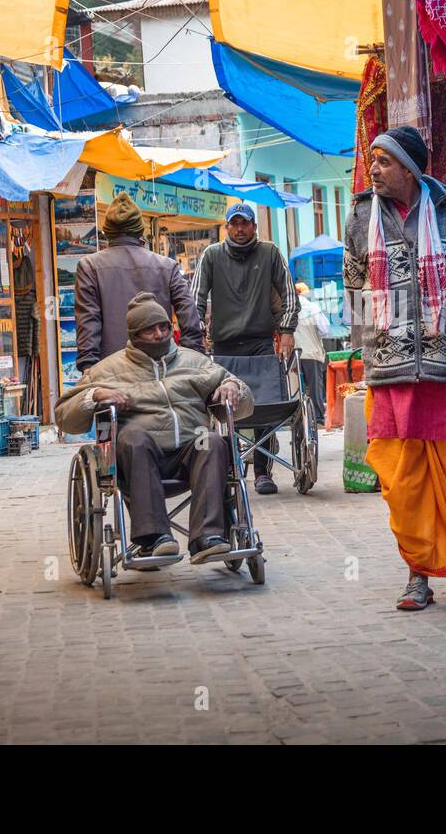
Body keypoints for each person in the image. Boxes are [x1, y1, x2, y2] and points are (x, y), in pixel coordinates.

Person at [343, 125, 446, 611]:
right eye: (373, 161)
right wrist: (378, 340)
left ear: (409, 167)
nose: (374, 170)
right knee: (402, 479)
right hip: (391, 370)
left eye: (383, 162)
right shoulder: (361, 215)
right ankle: (418, 572)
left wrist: (438, 325)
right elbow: (356, 289)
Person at [55, 293, 254, 562]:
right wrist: (96, 395)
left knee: (212, 441)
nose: (160, 334)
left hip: (188, 452)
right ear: (135, 334)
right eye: (150, 330)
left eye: (163, 327)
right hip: (138, 458)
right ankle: (153, 538)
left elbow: (239, 393)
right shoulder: (107, 370)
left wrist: (232, 387)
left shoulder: (193, 361)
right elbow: (65, 416)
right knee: (135, 437)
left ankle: (207, 537)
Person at [191, 202, 298, 495]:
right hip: (224, 347)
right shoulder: (211, 256)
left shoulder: (270, 253)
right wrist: (195, 334)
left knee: (265, 404)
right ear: (227, 227)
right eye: (234, 224)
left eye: (245, 223)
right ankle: (229, 466)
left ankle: (263, 471)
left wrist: (287, 331)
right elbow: (195, 300)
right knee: (223, 408)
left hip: (261, 343)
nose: (240, 229)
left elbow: (289, 293)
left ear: (253, 226)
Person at [75, 192, 204, 373]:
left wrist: (88, 367)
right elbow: (189, 315)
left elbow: (88, 320)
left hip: (111, 372)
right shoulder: (166, 266)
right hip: (161, 367)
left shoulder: (89, 266)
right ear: (139, 230)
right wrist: (192, 357)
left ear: (108, 231)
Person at [293, 281, 330, 425]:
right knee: (315, 388)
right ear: (305, 294)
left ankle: (298, 420)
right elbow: (325, 330)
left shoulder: (288, 310)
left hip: (294, 356)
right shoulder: (313, 308)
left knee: (296, 389)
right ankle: (318, 419)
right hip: (311, 353)